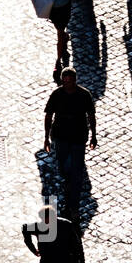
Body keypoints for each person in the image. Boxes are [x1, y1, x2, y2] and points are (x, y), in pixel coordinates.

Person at [44, 68, 96, 219]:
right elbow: (48, 116)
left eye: (70, 81)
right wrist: (46, 137)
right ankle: (69, 189)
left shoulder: (84, 95)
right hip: (61, 137)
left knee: (76, 172)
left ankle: (73, 204)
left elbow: (91, 116)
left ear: (75, 80)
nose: (67, 85)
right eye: (64, 81)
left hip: (78, 137)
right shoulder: (56, 95)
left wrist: (94, 135)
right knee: (64, 169)